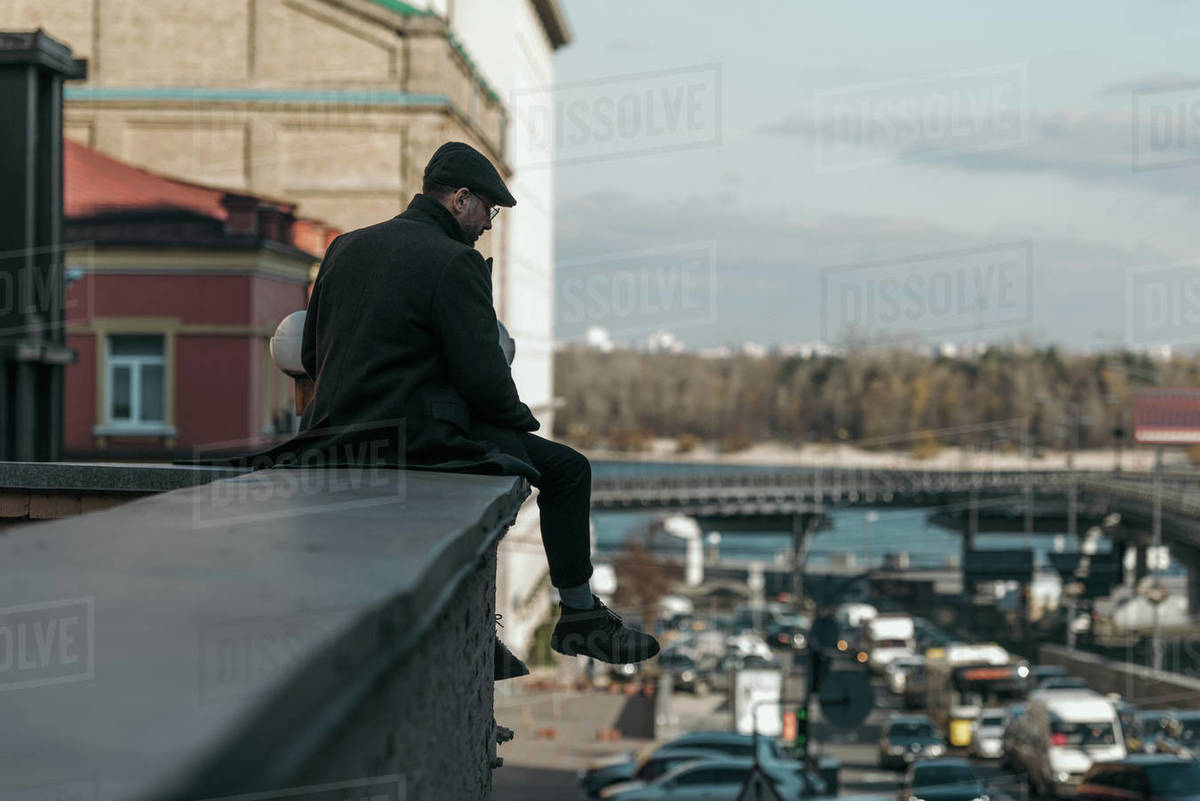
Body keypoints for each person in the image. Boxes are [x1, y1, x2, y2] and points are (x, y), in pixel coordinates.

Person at [292, 141, 659, 675]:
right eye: (489, 209)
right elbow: (482, 376)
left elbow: (309, 355)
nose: (489, 224)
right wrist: (521, 423)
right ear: (461, 199)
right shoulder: (454, 261)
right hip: (413, 441)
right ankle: (580, 618)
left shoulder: (346, 246)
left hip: (329, 436)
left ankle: (487, 632)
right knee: (566, 469)